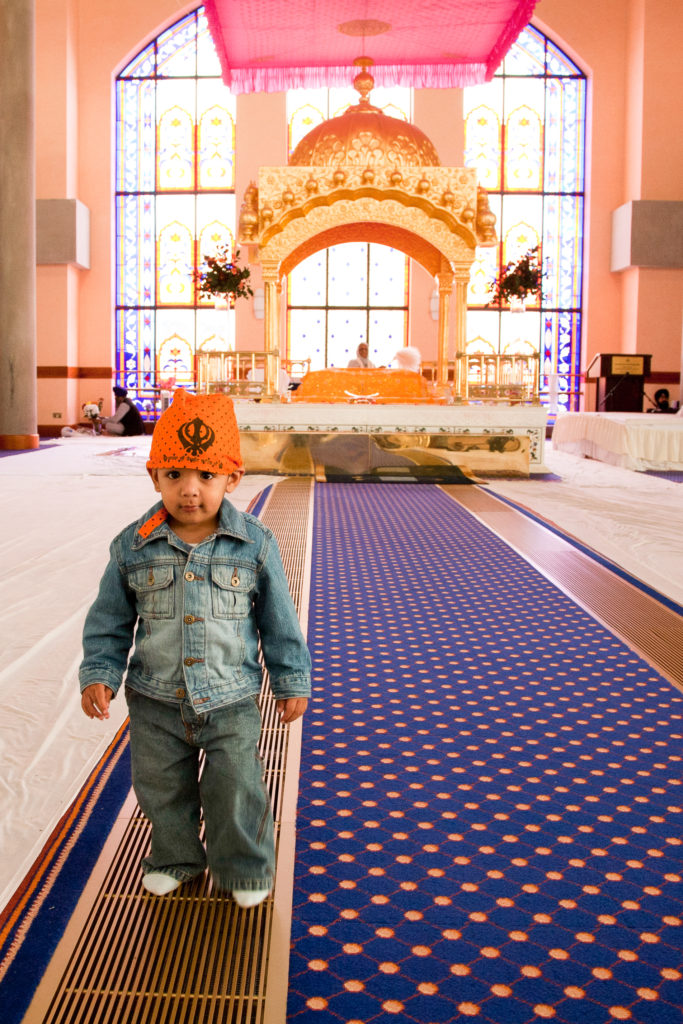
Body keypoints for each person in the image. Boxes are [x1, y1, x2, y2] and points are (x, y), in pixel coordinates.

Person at [79, 390, 311, 907]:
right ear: (154, 477)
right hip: (154, 699)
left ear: (232, 479)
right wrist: (99, 672)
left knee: (236, 787)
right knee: (161, 789)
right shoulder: (131, 545)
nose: (190, 491)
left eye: (205, 476)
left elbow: (280, 622)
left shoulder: (255, 543)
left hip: (229, 698)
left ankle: (244, 866)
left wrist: (291, 678)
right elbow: (110, 621)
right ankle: (176, 857)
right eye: (175, 474)